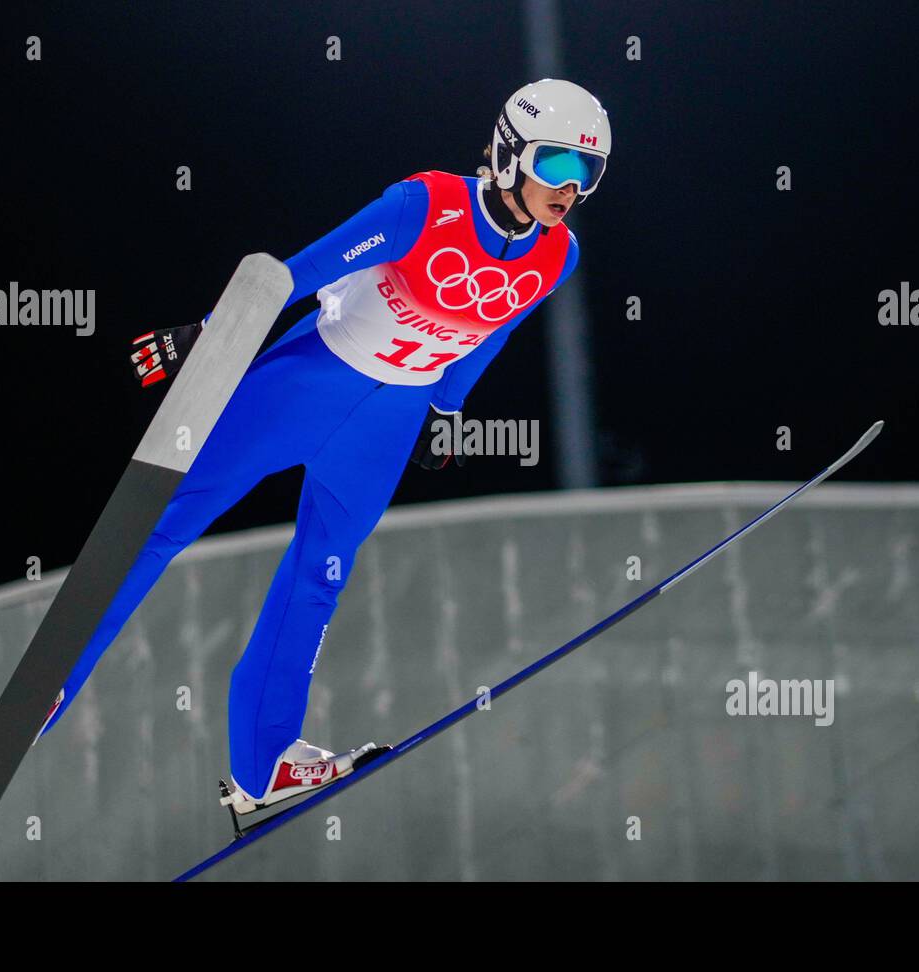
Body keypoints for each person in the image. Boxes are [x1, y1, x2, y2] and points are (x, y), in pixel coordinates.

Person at [37, 78, 612, 814]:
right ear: (508, 154)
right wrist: (206, 337)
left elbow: (491, 329)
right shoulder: (425, 205)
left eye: (588, 172)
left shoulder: (554, 255)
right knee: (171, 515)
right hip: (311, 379)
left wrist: (446, 409)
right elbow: (301, 274)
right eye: (558, 164)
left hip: (388, 423)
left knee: (320, 575)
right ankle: (54, 682)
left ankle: (263, 762)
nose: (571, 188)